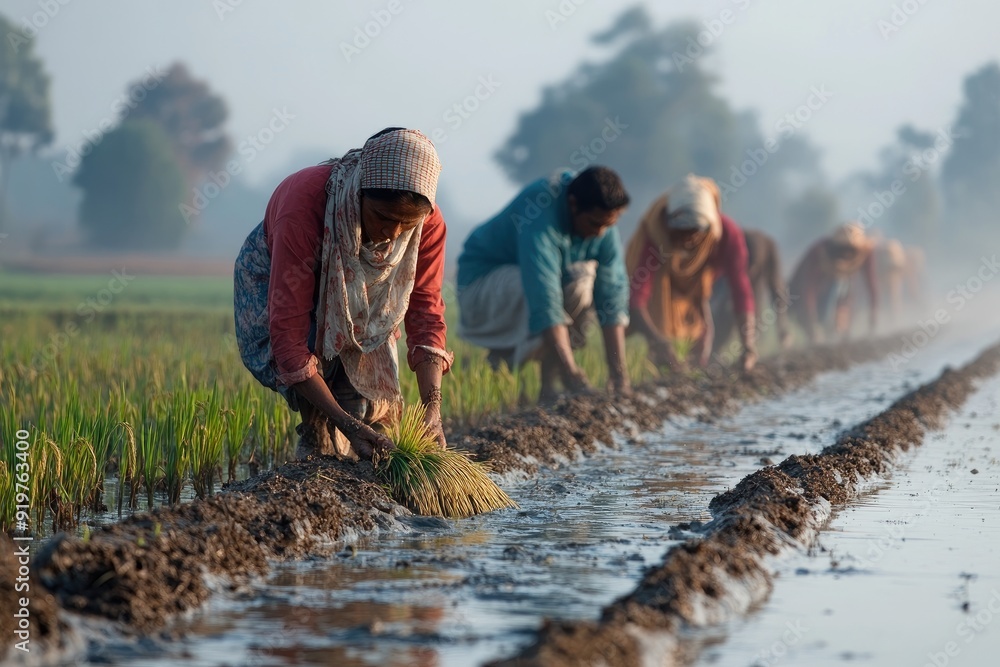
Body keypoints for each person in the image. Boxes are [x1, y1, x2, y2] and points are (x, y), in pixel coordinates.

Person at [233, 128, 453, 461]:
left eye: (406, 225)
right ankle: (314, 431)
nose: (392, 233)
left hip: (364, 293)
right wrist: (344, 424)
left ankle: (359, 433)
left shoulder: (429, 226)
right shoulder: (305, 206)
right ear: (359, 193)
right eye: (382, 217)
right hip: (278, 276)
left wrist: (432, 409)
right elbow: (289, 337)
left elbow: (425, 313)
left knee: (362, 409)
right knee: (312, 347)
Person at [456, 166, 632, 402]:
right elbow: (544, 298)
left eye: (608, 225)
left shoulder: (602, 224)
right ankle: (510, 366)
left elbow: (613, 297)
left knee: (581, 280)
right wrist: (573, 373)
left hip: (523, 284)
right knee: (565, 285)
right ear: (573, 204)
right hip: (481, 288)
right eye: (594, 223)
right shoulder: (541, 208)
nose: (600, 233)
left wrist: (620, 376)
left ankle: (547, 382)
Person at [626, 174, 757, 372]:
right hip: (661, 286)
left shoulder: (726, 234)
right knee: (658, 350)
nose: (687, 240)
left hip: (697, 289)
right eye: (680, 232)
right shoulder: (656, 232)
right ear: (669, 224)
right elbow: (637, 298)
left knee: (700, 335)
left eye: (693, 232)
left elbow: (741, 291)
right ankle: (656, 366)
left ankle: (692, 368)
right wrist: (658, 341)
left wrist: (748, 348)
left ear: (707, 227)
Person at [788, 221, 878, 344]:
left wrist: (873, 316)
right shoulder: (820, 252)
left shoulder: (864, 252)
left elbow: (871, 284)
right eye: (843, 249)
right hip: (808, 294)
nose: (846, 254)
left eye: (850, 250)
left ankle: (840, 332)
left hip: (840, 291)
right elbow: (808, 289)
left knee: (843, 286)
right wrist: (812, 323)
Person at [711, 228, 792, 360]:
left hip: (756, 278)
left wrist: (783, 328)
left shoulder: (767, 248)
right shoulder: (733, 251)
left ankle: (752, 352)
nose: (747, 273)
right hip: (733, 276)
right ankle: (714, 351)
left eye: (750, 269)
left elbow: (777, 291)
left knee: (754, 312)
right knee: (728, 308)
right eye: (746, 269)